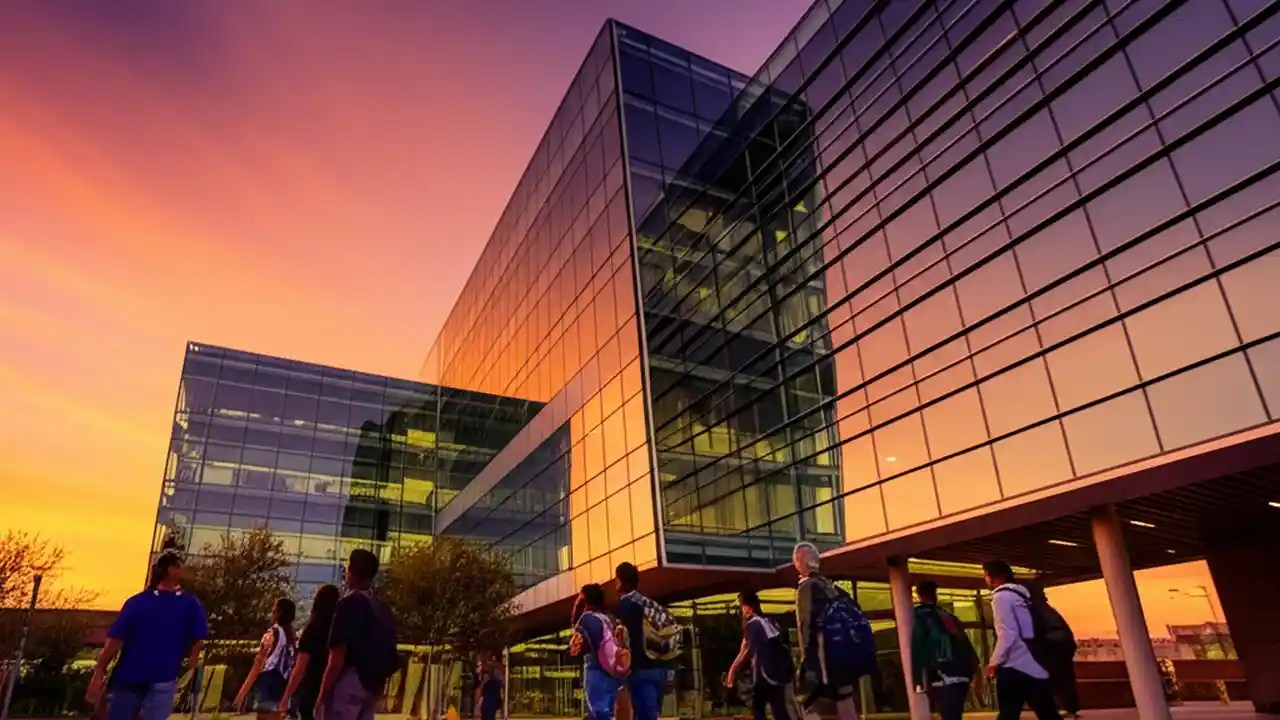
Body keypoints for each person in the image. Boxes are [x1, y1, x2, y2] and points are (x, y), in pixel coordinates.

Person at [86, 551, 208, 720]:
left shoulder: (187, 604)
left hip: (156, 679)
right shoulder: (141, 602)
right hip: (133, 680)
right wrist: (100, 671)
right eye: (181, 565)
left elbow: (198, 638)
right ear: (171, 569)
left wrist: (191, 665)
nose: (185, 570)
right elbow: (115, 640)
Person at [316, 550, 400, 720]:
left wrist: (322, 696)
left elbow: (336, 659)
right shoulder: (381, 608)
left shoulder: (347, 605)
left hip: (349, 682)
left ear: (350, 571)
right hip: (373, 685)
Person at [982, 560, 1058, 720]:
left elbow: (1008, 633)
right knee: (1048, 713)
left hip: (1014, 665)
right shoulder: (1023, 594)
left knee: (1008, 714)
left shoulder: (1001, 597)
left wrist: (994, 662)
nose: (986, 579)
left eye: (986, 575)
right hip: (1035, 661)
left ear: (994, 577)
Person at [793, 542, 860, 720]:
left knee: (808, 703)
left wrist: (807, 660)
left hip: (821, 660)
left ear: (799, 562)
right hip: (842, 658)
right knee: (845, 701)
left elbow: (805, 625)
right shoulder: (833, 588)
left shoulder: (806, 588)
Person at [614, 562, 676, 720]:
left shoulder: (625, 605)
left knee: (643, 714)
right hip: (659, 667)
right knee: (651, 713)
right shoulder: (649, 603)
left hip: (639, 669)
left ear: (621, 580)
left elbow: (622, 641)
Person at [910, 581, 978, 720]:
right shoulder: (949, 616)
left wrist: (917, 678)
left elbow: (917, 648)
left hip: (941, 675)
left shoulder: (919, 617)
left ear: (918, 595)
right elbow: (966, 644)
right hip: (962, 674)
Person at [726, 590, 798, 720]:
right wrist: (733, 671)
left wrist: (734, 672)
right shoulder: (769, 621)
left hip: (765, 672)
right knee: (778, 707)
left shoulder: (753, 625)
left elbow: (749, 651)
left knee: (759, 706)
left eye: (742, 607)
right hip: (779, 671)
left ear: (747, 607)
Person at [280, 584, 341, 720]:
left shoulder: (313, 630)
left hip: (311, 690)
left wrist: (285, 697)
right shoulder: (339, 629)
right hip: (334, 690)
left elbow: (299, 668)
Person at [236, 598, 298, 720]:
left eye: (274, 610)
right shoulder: (291, 637)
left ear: (278, 612)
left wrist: (243, 691)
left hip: (269, 681)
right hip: (284, 682)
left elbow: (258, 663)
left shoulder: (272, 633)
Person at [571, 584, 624, 720]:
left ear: (585, 599)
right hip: (615, 669)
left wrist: (578, 605)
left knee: (599, 712)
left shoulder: (587, 619)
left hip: (597, 669)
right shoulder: (610, 618)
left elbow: (578, 634)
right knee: (608, 712)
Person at [1029, 585, 1080, 718]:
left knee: (1053, 676)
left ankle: (1063, 707)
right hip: (1062, 643)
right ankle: (1069, 707)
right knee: (1063, 676)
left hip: (1054, 644)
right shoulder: (1044, 607)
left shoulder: (1034, 607)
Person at [473, 654, 505, 720]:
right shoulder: (490, 681)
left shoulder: (488, 681)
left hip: (488, 706)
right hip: (490, 706)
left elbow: (478, 693)